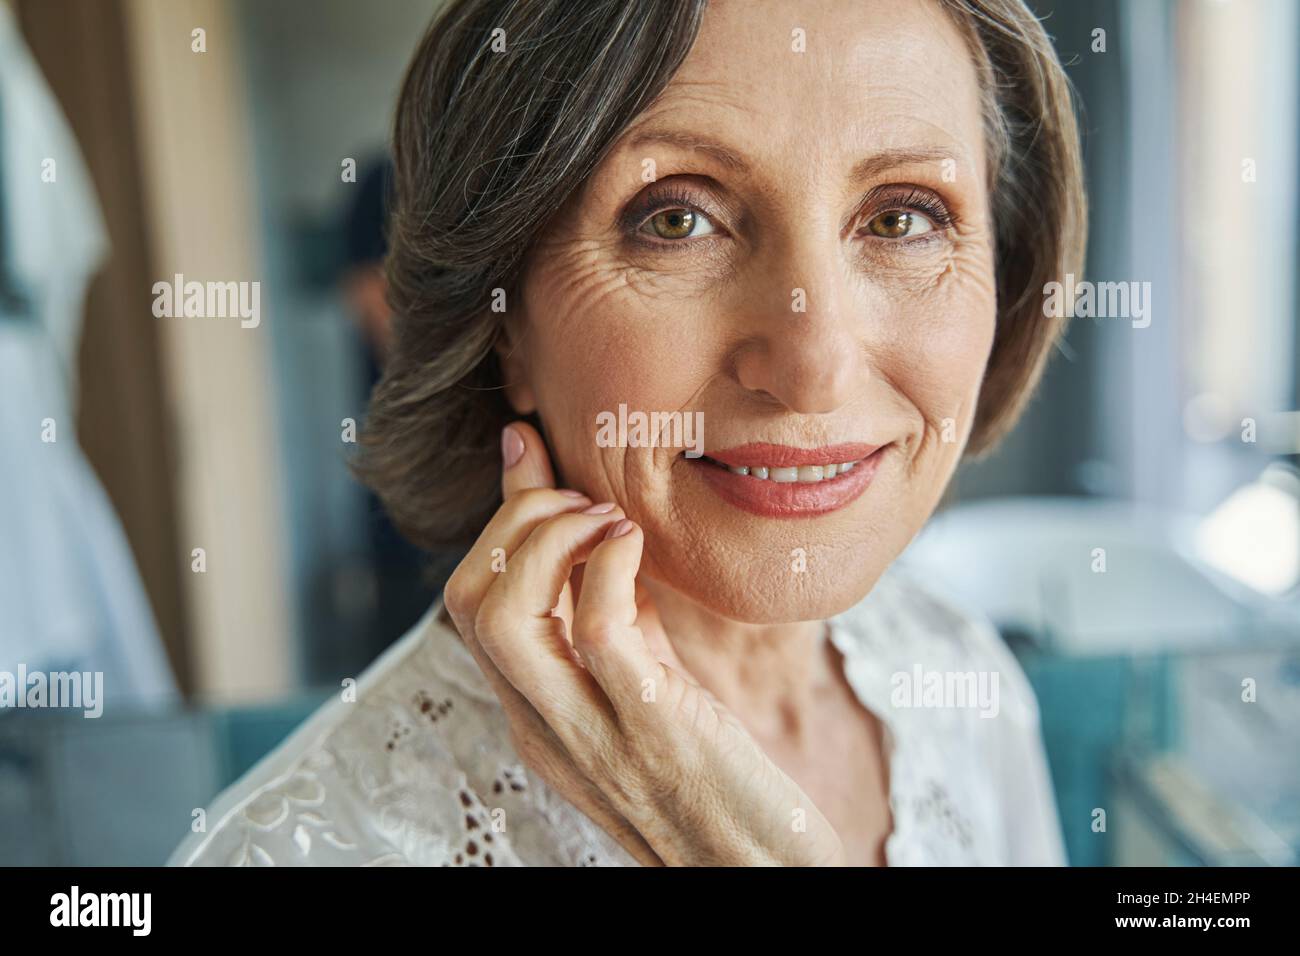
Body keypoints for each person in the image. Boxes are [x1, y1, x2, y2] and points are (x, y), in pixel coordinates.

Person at [170, 0, 1083, 867]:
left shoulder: (959, 678)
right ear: (503, 323)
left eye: (902, 218)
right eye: (677, 220)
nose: (815, 368)